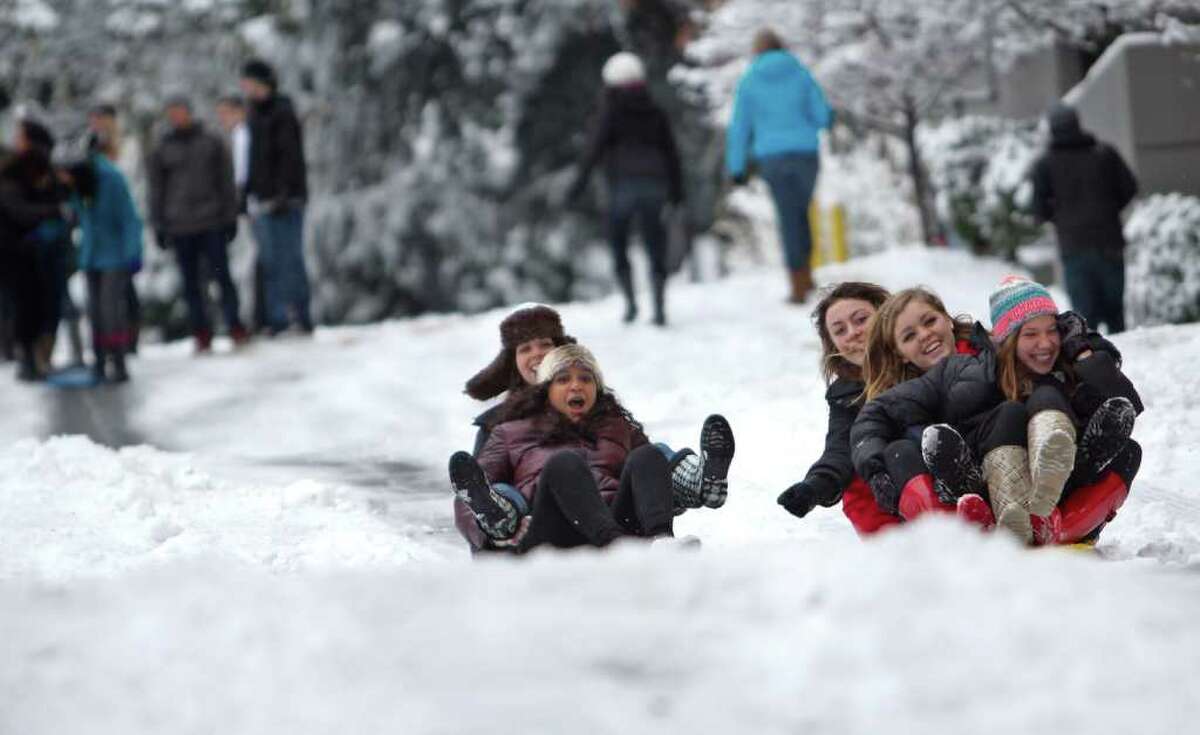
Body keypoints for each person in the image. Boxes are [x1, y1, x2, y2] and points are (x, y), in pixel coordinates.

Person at [851, 276, 1141, 544]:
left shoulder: (1025, 355)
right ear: (898, 353)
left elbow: (1125, 401)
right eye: (909, 335)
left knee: (1122, 447)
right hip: (977, 484)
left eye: (929, 321)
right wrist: (876, 473)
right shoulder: (945, 377)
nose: (925, 334)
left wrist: (1079, 345)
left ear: (947, 320)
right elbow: (873, 420)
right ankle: (958, 527)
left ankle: (1061, 524)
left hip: (1051, 477)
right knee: (907, 447)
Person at [454, 303, 734, 553]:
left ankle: (675, 519)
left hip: (616, 520)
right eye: (563, 379)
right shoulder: (503, 427)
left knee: (650, 455)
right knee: (562, 465)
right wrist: (494, 534)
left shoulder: (614, 422)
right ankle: (502, 518)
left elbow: (649, 478)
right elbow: (472, 492)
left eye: (585, 379)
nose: (575, 385)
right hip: (548, 529)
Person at [567, 51, 684, 327]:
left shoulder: (608, 112)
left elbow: (592, 151)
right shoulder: (656, 111)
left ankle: (631, 304)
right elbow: (671, 154)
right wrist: (678, 192)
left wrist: (577, 187)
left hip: (622, 186)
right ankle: (659, 307)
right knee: (655, 242)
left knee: (618, 241)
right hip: (655, 184)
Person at [725, 28, 832, 305]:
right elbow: (822, 116)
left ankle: (798, 283)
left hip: (773, 158)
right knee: (801, 212)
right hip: (806, 154)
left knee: (788, 216)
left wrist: (737, 167)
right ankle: (806, 274)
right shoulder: (800, 73)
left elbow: (740, 127)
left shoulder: (749, 80)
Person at [147, 97, 247, 352]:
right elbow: (156, 189)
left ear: (189, 113)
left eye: (180, 111)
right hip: (179, 225)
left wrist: (230, 217)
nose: (176, 117)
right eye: (172, 113)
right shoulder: (163, 148)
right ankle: (201, 333)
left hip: (211, 221)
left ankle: (235, 326)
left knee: (222, 277)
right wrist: (158, 224)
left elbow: (226, 181)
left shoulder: (211, 141)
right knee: (191, 284)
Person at [1030, 103, 1138, 334]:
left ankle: (1090, 353)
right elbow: (1129, 187)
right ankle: (1122, 352)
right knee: (1115, 312)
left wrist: (1061, 216)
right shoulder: (1105, 154)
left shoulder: (1045, 164)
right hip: (1109, 241)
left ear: (1052, 129)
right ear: (1077, 123)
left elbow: (1038, 210)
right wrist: (1109, 209)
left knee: (1084, 315)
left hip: (1074, 246)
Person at [240, 58, 313, 336]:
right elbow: (253, 159)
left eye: (249, 82)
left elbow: (290, 157)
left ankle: (301, 315)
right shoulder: (253, 115)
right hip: (262, 199)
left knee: (291, 259)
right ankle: (277, 318)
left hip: (287, 199)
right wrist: (246, 191)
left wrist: (284, 192)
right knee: (270, 262)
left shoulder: (282, 112)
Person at [68, 139, 143, 382]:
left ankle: (118, 361)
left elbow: (129, 218)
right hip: (91, 255)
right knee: (95, 311)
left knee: (110, 310)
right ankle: (99, 360)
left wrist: (133, 253)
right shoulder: (78, 184)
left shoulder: (111, 179)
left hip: (115, 255)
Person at [0, 119, 67, 381]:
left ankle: (36, 357)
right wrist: (53, 212)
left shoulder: (41, 170)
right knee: (25, 304)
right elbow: (17, 209)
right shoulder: (13, 172)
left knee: (41, 303)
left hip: (34, 248)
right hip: (13, 248)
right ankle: (26, 358)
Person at [216, 95, 267, 334]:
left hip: (252, 205)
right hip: (247, 205)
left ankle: (261, 315)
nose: (222, 119)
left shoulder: (244, 135)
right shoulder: (239, 135)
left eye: (226, 113)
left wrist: (240, 201)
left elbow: (241, 176)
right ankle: (259, 315)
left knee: (259, 260)